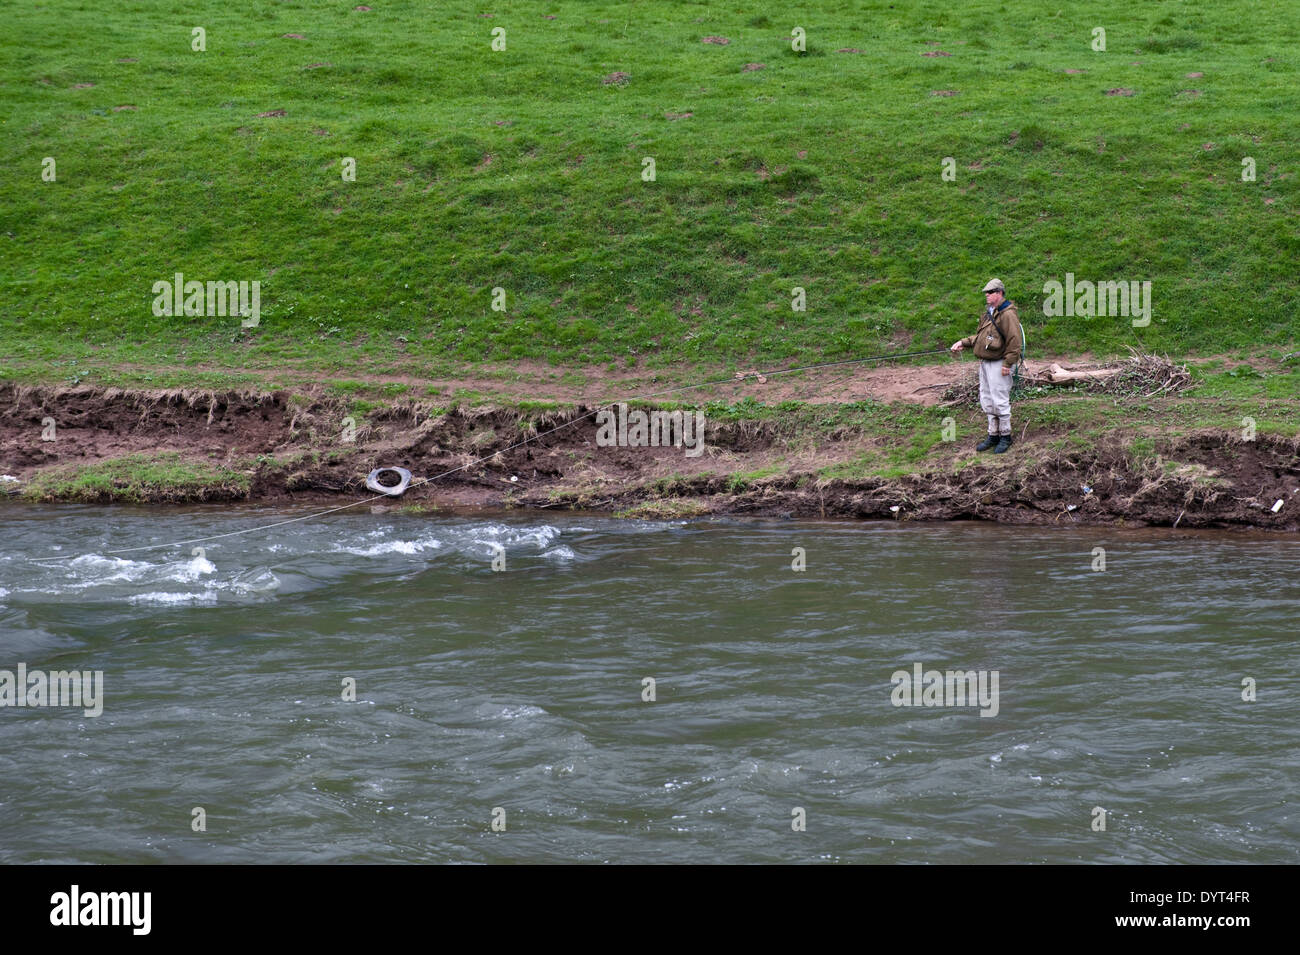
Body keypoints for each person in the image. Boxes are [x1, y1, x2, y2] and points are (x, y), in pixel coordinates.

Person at [949, 279, 1022, 453]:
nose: (987, 295)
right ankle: (993, 435)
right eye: (986, 293)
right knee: (987, 399)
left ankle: (1005, 436)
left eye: (990, 292)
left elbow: (1015, 341)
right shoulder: (989, 313)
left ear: (999, 293)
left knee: (1000, 400)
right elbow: (981, 338)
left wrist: (1008, 364)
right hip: (985, 364)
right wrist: (963, 342)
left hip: (999, 364)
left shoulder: (1007, 314)